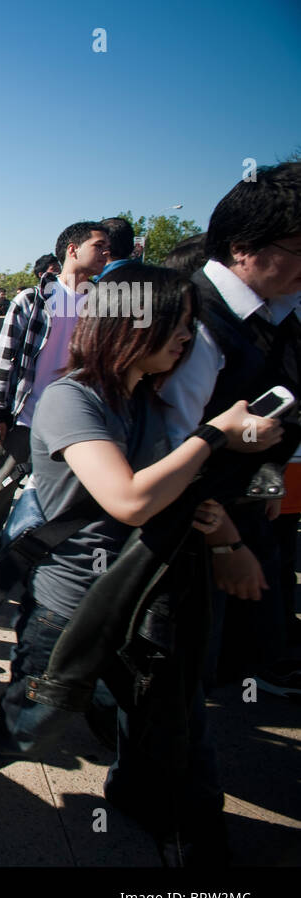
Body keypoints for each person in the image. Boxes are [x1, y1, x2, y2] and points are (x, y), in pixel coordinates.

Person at [0, 264, 281, 857]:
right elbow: (129, 499)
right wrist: (212, 436)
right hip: (73, 605)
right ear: (129, 325)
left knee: (159, 726)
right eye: (175, 325)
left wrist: (228, 538)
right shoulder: (70, 398)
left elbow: (183, 491)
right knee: (31, 727)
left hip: (145, 601)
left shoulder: (153, 402)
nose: (187, 338)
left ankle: (146, 802)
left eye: (191, 326)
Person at [160, 162, 301, 698]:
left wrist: (267, 476)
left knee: (210, 673)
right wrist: (223, 541)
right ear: (244, 247)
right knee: (173, 683)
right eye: (297, 250)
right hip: (190, 535)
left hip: (235, 518)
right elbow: (166, 452)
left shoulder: (278, 316)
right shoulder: (191, 322)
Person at [0, 222, 110, 565]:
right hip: (27, 413)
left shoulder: (102, 303)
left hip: (74, 418)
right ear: (72, 250)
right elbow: (5, 356)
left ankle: (39, 548)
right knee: (4, 485)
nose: (106, 252)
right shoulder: (33, 299)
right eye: (99, 245)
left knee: (62, 490)